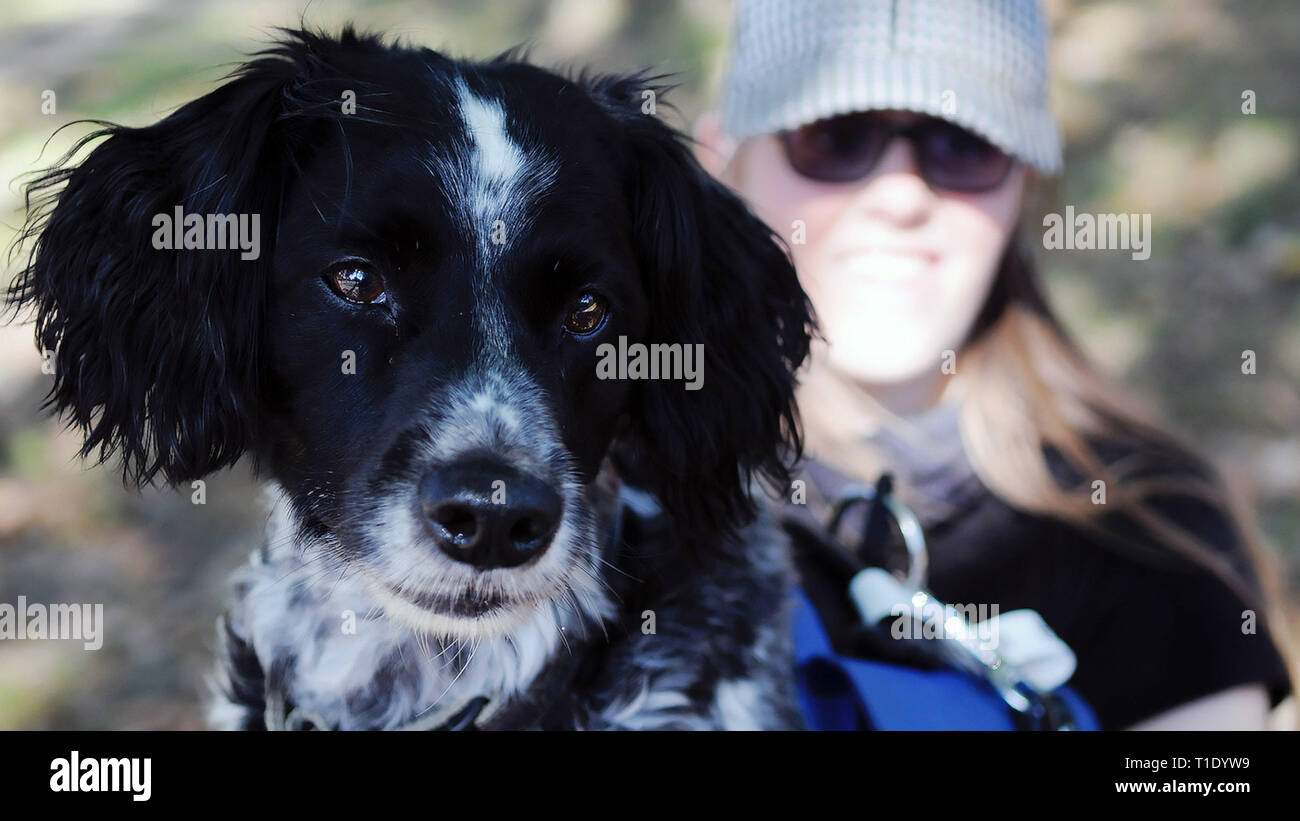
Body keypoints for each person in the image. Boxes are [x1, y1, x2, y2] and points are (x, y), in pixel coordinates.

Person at [695, 0, 1295, 729]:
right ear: (719, 161)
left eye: (962, 143)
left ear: (1026, 182)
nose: (900, 193)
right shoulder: (607, 505)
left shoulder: (1150, 529)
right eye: (835, 136)